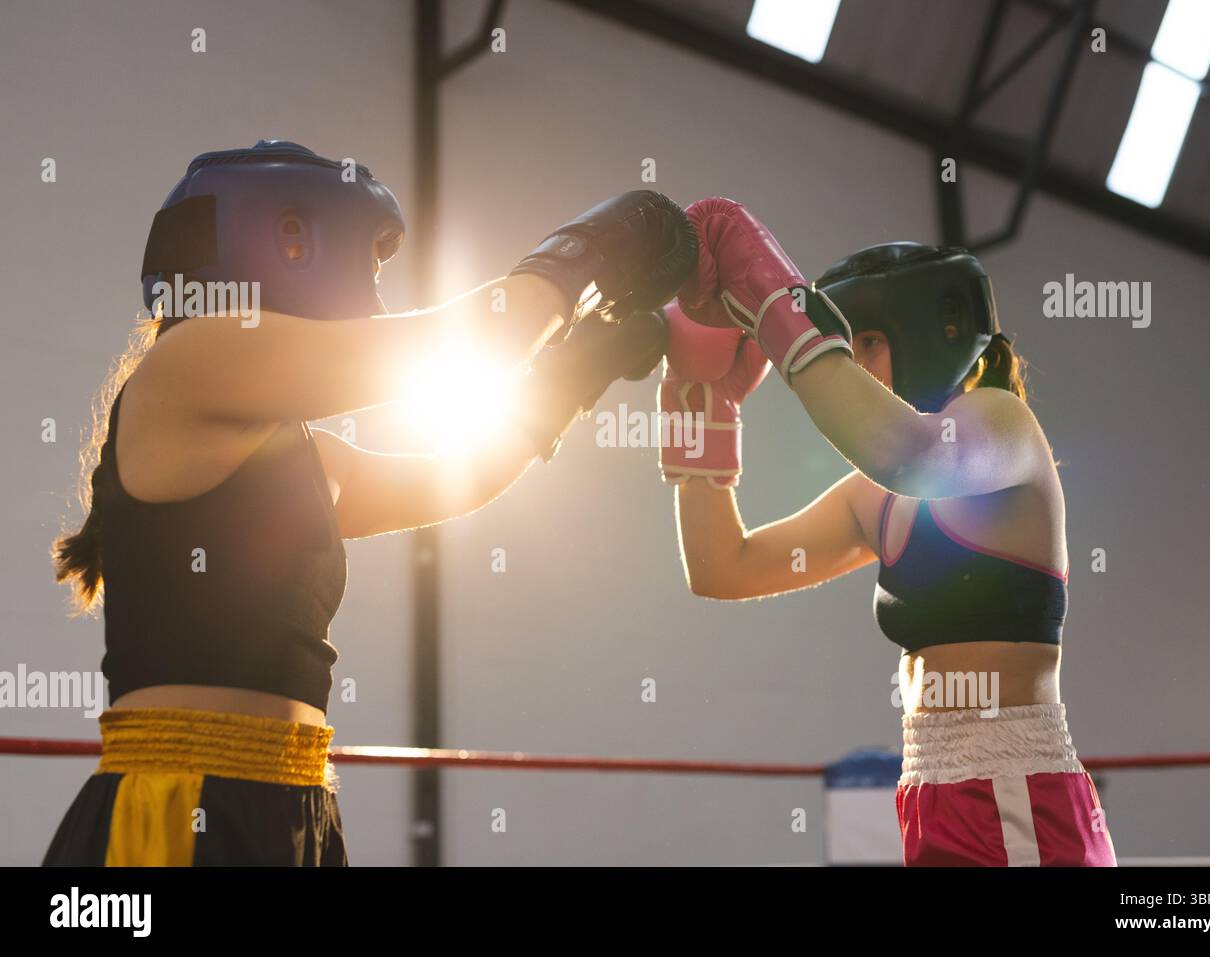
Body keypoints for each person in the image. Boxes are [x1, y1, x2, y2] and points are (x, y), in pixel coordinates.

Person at [44, 140, 696, 866]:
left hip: (297, 808)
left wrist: (581, 370)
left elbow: (464, 474)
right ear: (290, 238)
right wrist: (589, 251)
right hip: (175, 808)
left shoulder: (305, 453)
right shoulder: (191, 362)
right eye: (368, 259)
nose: (375, 286)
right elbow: (475, 337)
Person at [660, 198, 1116, 866]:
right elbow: (720, 566)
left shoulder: (1002, 425)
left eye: (867, 340)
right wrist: (701, 407)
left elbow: (908, 453)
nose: (857, 361)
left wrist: (781, 312)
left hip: (1014, 786)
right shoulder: (875, 500)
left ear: (931, 333)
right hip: (928, 790)